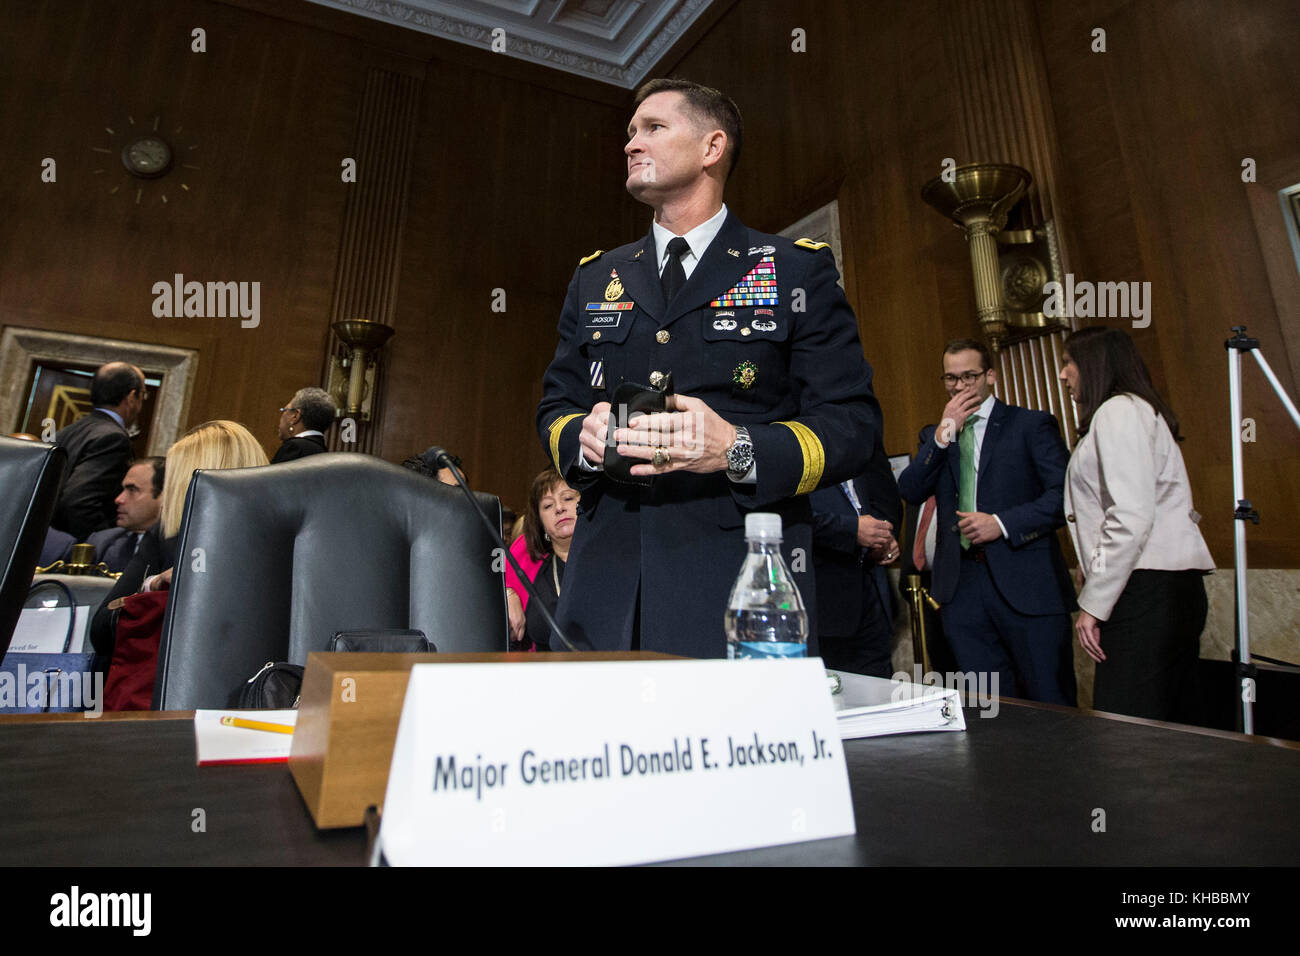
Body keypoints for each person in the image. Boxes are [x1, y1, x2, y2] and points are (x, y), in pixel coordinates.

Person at [536, 78, 879, 658]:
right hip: (605, 583)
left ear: (711, 147)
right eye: (629, 133)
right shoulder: (596, 277)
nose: (630, 143)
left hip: (734, 581)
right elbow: (555, 407)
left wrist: (736, 448)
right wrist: (582, 438)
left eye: (652, 128)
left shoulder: (795, 271)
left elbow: (852, 426)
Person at [897, 338, 1076, 704]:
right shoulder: (939, 436)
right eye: (951, 378)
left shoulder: (1030, 425)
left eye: (969, 376)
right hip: (963, 587)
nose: (960, 386)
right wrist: (945, 432)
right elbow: (910, 489)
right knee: (987, 707)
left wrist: (1002, 522)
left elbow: (1064, 498)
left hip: (1027, 583)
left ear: (990, 375)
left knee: (1049, 701)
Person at [1059, 327, 1214, 722]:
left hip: (1146, 591)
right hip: (1163, 587)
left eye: (1068, 363)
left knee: (1125, 732)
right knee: (1171, 729)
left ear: (1094, 365)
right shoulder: (1135, 409)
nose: (1063, 375)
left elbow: (1130, 515)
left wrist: (1093, 604)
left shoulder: (1118, 411)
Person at [89, 421, 269, 674]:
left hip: (168, 696)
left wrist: (150, 586)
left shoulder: (170, 536)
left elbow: (103, 630)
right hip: (261, 696)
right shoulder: (279, 539)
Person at [810, 431, 902, 676]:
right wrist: (852, 532)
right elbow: (790, 519)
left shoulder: (858, 433)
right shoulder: (788, 432)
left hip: (873, 594)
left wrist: (884, 538)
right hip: (824, 604)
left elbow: (887, 499)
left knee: (881, 697)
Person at [50, 362, 147, 540]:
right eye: (143, 395)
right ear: (132, 397)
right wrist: (103, 545)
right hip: (74, 552)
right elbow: (79, 503)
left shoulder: (65, 431)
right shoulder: (113, 439)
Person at [519, 472, 579, 651]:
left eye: (568, 498)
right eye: (548, 506)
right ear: (540, 522)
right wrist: (509, 593)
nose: (559, 508)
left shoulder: (612, 563)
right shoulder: (534, 573)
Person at [271, 387, 336, 462]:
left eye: (285, 410)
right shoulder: (324, 453)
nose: (282, 415)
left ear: (295, 416)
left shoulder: (294, 448)